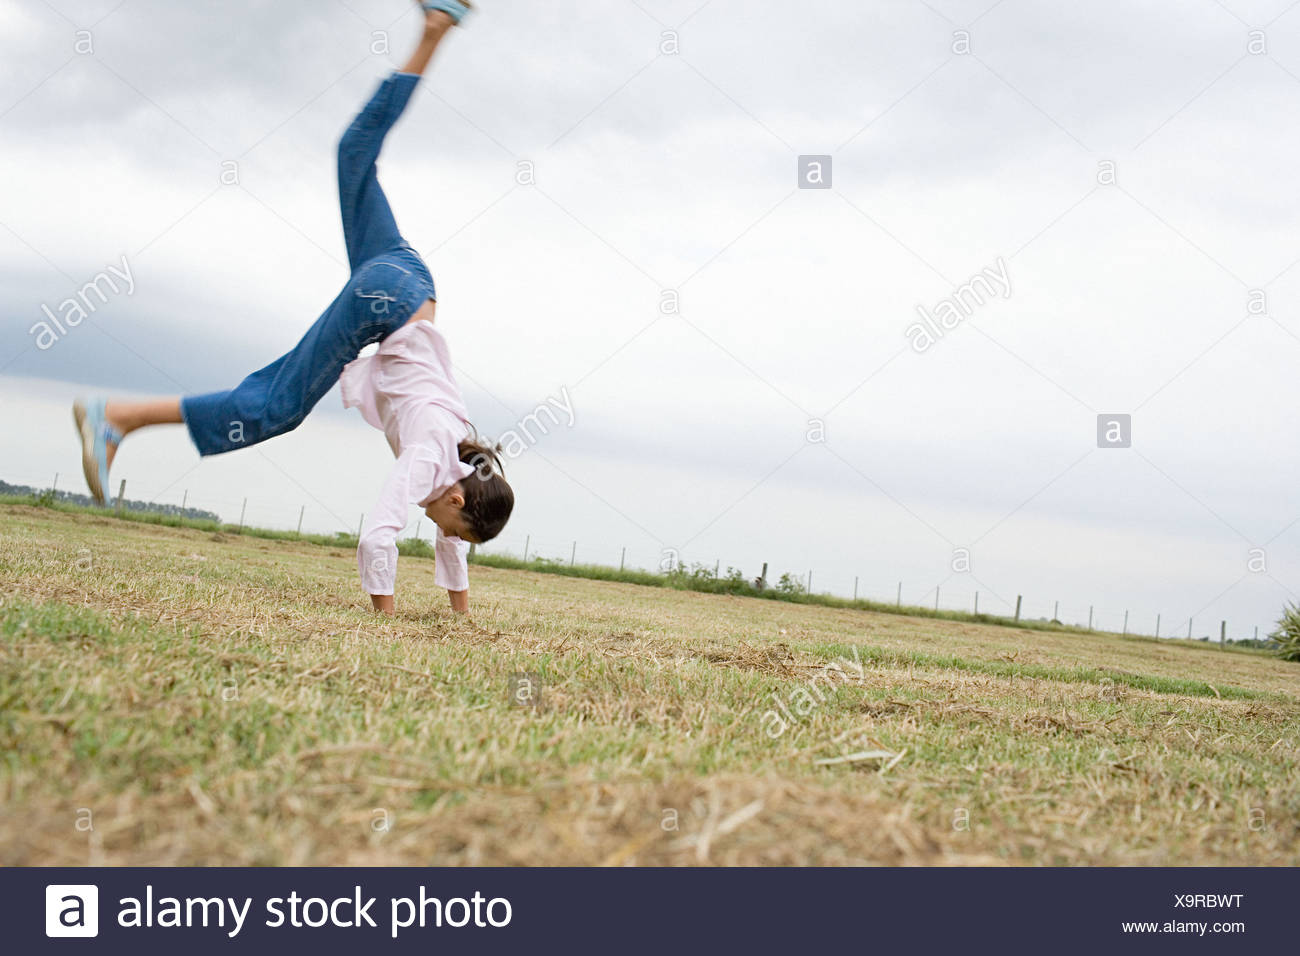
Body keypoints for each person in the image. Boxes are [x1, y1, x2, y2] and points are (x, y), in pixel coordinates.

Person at [71, 0, 511, 616]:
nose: (441, 532)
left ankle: (434, 30)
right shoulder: (429, 461)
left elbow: (448, 537)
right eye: (454, 529)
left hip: (409, 279)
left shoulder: (458, 457)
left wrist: (461, 614)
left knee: (354, 155)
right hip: (384, 300)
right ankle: (119, 416)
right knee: (276, 407)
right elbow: (379, 530)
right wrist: (386, 622)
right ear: (459, 503)